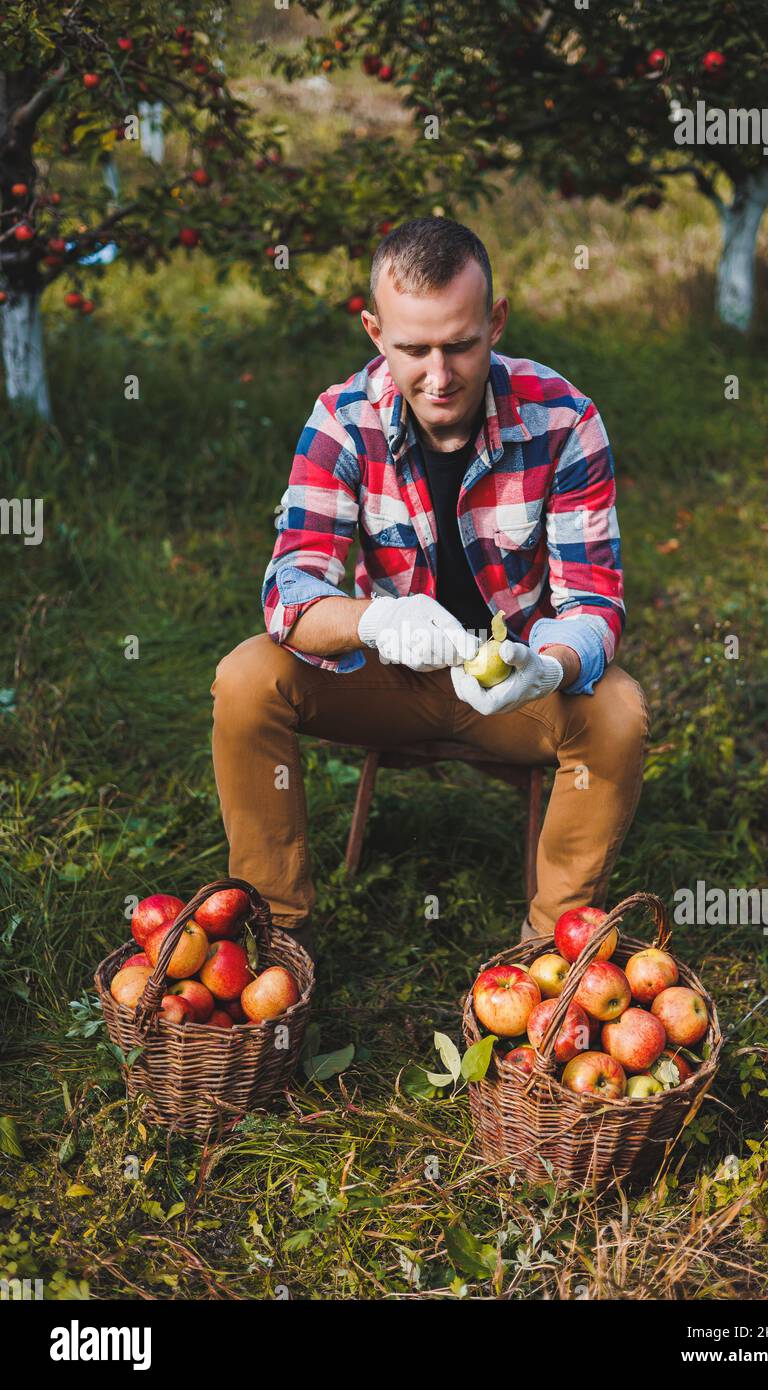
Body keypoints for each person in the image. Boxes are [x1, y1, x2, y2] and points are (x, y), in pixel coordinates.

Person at [210, 217, 649, 959]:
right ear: (376, 332)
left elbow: (592, 605)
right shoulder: (343, 420)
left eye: (461, 344)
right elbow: (290, 593)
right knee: (245, 678)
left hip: (514, 689)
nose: (439, 376)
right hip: (389, 678)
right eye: (414, 349)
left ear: (496, 321)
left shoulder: (563, 419)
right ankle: (278, 934)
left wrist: (550, 666)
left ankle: (554, 951)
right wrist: (376, 622)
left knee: (619, 715)